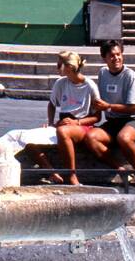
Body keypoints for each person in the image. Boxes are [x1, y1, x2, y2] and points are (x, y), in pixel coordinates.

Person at [44, 52, 111, 186]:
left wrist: (76, 122)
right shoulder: (60, 83)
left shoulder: (89, 85)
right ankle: (51, 172)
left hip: (82, 124)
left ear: (69, 67)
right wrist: (51, 123)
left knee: (63, 132)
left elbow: (97, 117)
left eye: (59, 65)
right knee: (28, 138)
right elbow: (52, 104)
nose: (57, 68)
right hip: (63, 122)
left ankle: (72, 175)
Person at [95, 41, 135, 188]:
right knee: (90, 138)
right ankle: (120, 169)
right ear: (104, 58)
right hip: (113, 121)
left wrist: (109, 106)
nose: (116, 58)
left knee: (123, 138)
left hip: (134, 120)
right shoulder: (102, 73)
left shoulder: (131, 76)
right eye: (112, 55)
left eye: (119, 54)